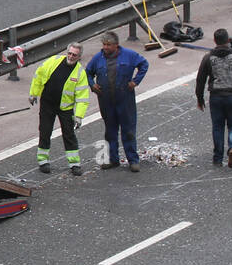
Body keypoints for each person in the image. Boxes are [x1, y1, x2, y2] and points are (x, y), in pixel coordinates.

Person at [85, 31, 148, 172]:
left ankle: (133, 160)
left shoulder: (129, 55)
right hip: (106, 100)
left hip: (125, 99)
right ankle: (113, 160)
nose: (105, 47)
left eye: (108, 45)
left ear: (116, 45)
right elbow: (88, 72)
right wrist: (92, 84)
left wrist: (135, 81)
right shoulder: (98, 58)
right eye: (104, 44)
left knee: (128, 130)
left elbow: (144, 64)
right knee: (110, 131)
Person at [195, 29, 232, 168]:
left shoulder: (208, 57)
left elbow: (200, 80)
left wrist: (200, 98)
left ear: (215, 41)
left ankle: (217, 158)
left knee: (218, 127)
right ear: (228, 41)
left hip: (216, 97)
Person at [29, 42, 90, 175]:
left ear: (79, 57)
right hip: (47, 104)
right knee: (45, 131)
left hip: (65, 108)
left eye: (74, 55)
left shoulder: (80, 73)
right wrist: (33, 93)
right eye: (69, 53)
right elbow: (38, 76)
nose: (71, 56)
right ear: (66, 52)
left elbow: (82, 97)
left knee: (69, 134)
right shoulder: (53, 61)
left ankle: (74, 163)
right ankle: (42, 160)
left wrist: (79, 116)